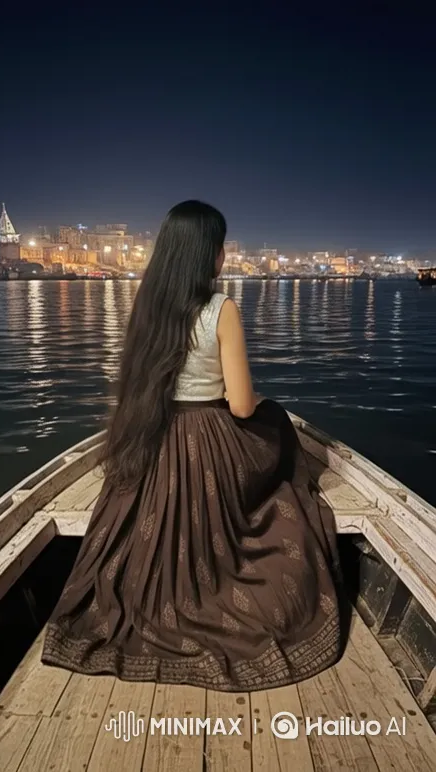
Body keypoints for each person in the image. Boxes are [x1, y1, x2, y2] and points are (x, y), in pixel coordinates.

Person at [41, 200, 342, 691]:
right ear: (209, 254)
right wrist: (258, 399)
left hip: (151, 434)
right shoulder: (221, 308)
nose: (224, 254)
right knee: (275, 424)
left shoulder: (147, 304)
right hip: (208, 438)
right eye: (220, 246)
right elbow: (241, 407)